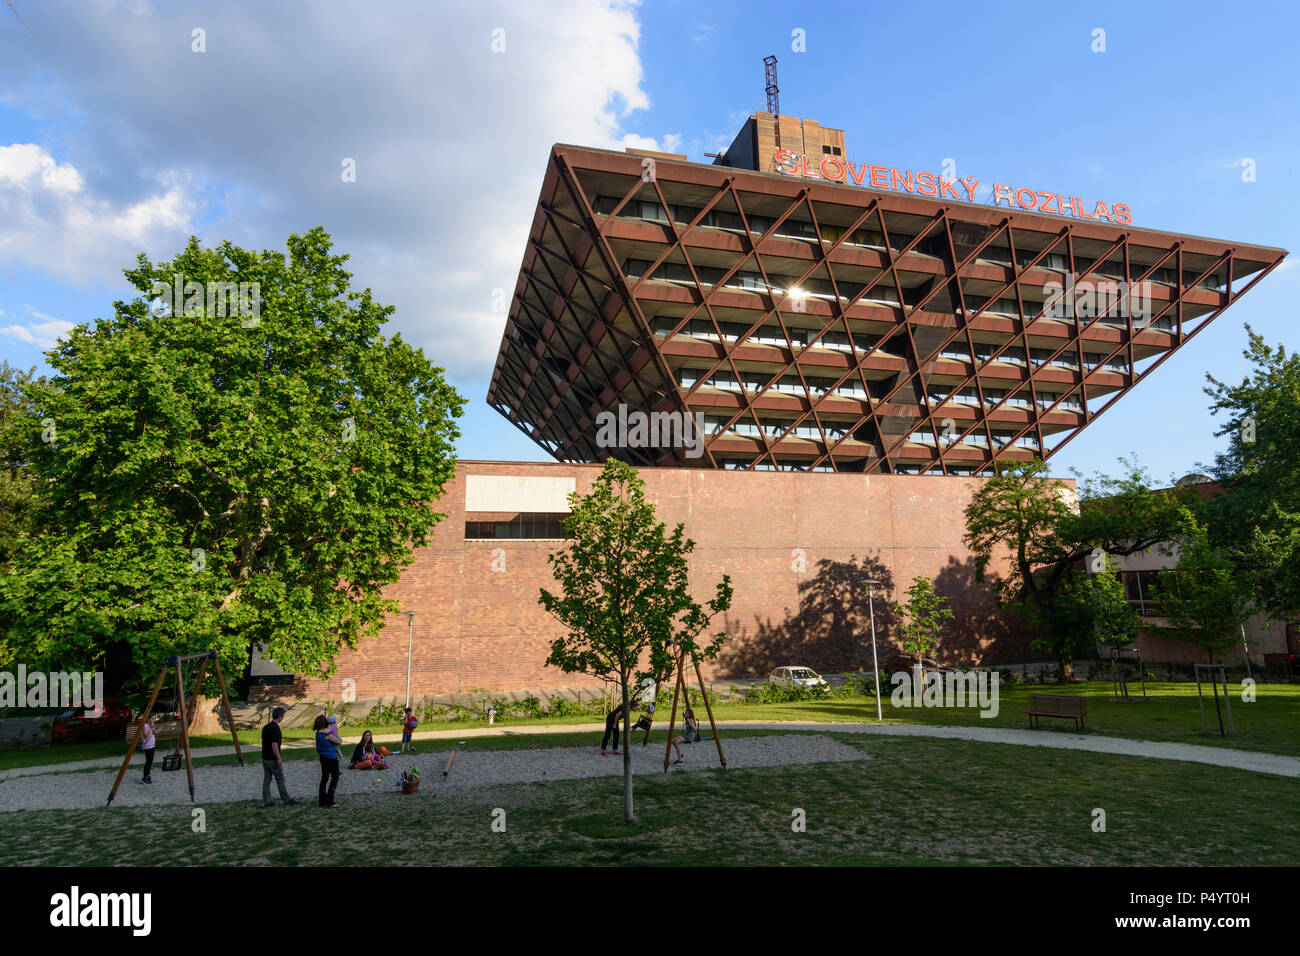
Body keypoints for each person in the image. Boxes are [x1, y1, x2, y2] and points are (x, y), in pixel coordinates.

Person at [260, 707, 298, 807]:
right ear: (280, 716)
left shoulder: (266, 727)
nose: (283, 718)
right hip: (272, 758)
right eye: (283, 716)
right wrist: (278, 757)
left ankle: (267, 801)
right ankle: (286, 799)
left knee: (267, 779)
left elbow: (264, 742)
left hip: (265, 757)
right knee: (280, 778)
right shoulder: (275, 728)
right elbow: (274, 744)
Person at [315, 714, 342, 808]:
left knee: (325, 778)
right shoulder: (327, 735)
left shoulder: (317, 734)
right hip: (331, 758)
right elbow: (339, 742)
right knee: (335, 777)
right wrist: (338, 737)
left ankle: (322, 801)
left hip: (323, 758)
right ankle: (330, 801)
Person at [139, 714, 157, 783]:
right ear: (148, 719)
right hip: (147, 746)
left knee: (150, 761)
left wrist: (163, 727)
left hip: (152, 745)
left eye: (154, 719)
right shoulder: (144, 726)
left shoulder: (151, 726)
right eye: (152, 719)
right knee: (148, 762)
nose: (154, 720)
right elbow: (146, 736)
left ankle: (148, 775)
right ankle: (145, 776)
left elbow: (156, 733)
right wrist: (151, 728)